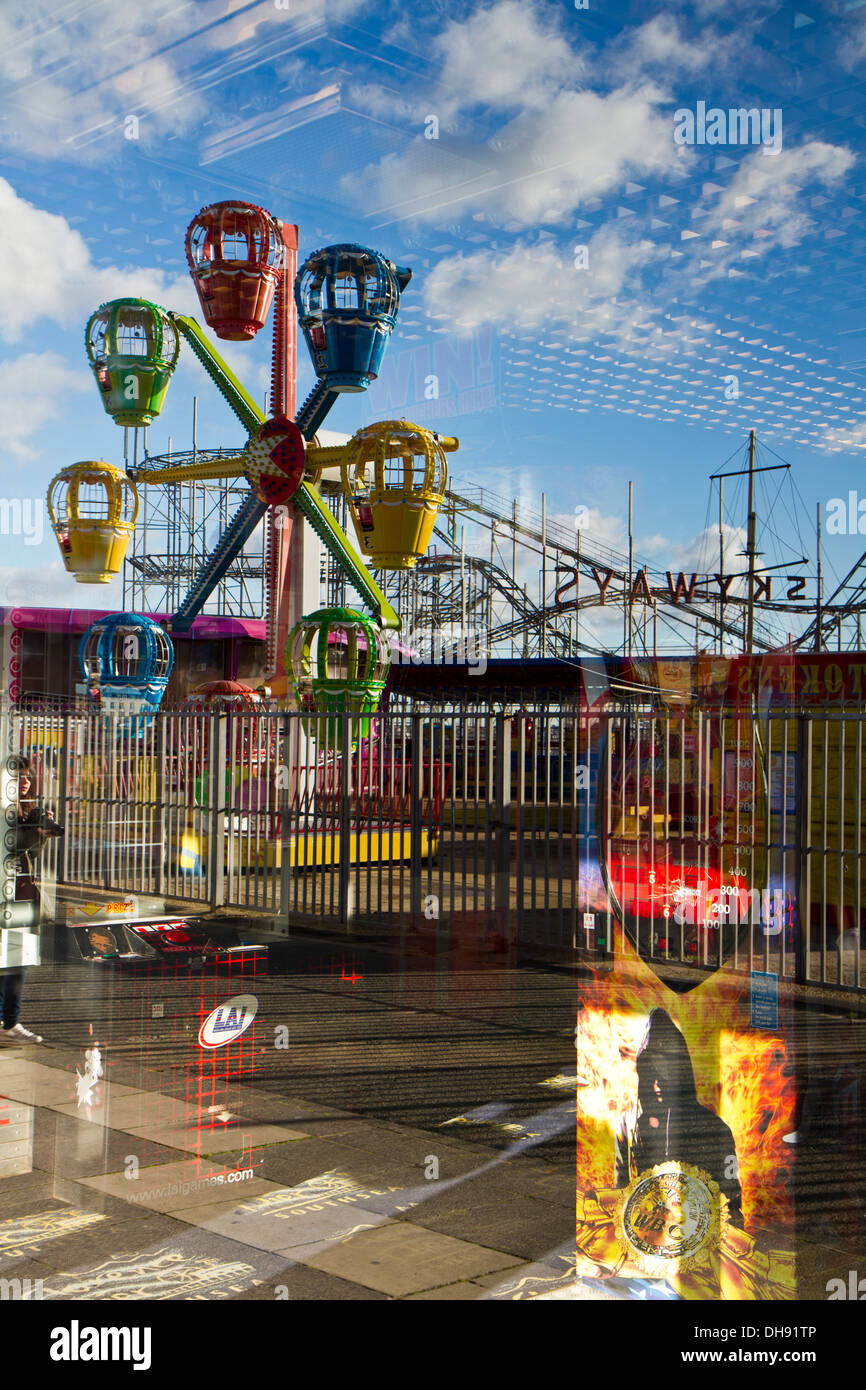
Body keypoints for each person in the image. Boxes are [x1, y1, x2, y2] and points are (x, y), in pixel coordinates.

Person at [615, 1007, 743, 1227]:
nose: (658, 1082)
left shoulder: (716, 1129)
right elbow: (620, 1194)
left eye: (667, 1071)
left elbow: (732, 1205)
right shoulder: (628, 1126)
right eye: (651, 1070)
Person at [0, 754, 63, 1046]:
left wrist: (42, 832)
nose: (25, 782)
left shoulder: (26, 811)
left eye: (27, 776)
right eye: (18, 776)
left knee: (17, 961)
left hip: (20, 894)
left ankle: (10, 1023)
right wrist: (32, 832)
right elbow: (8, 843)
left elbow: (28, 856)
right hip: (4, 893)